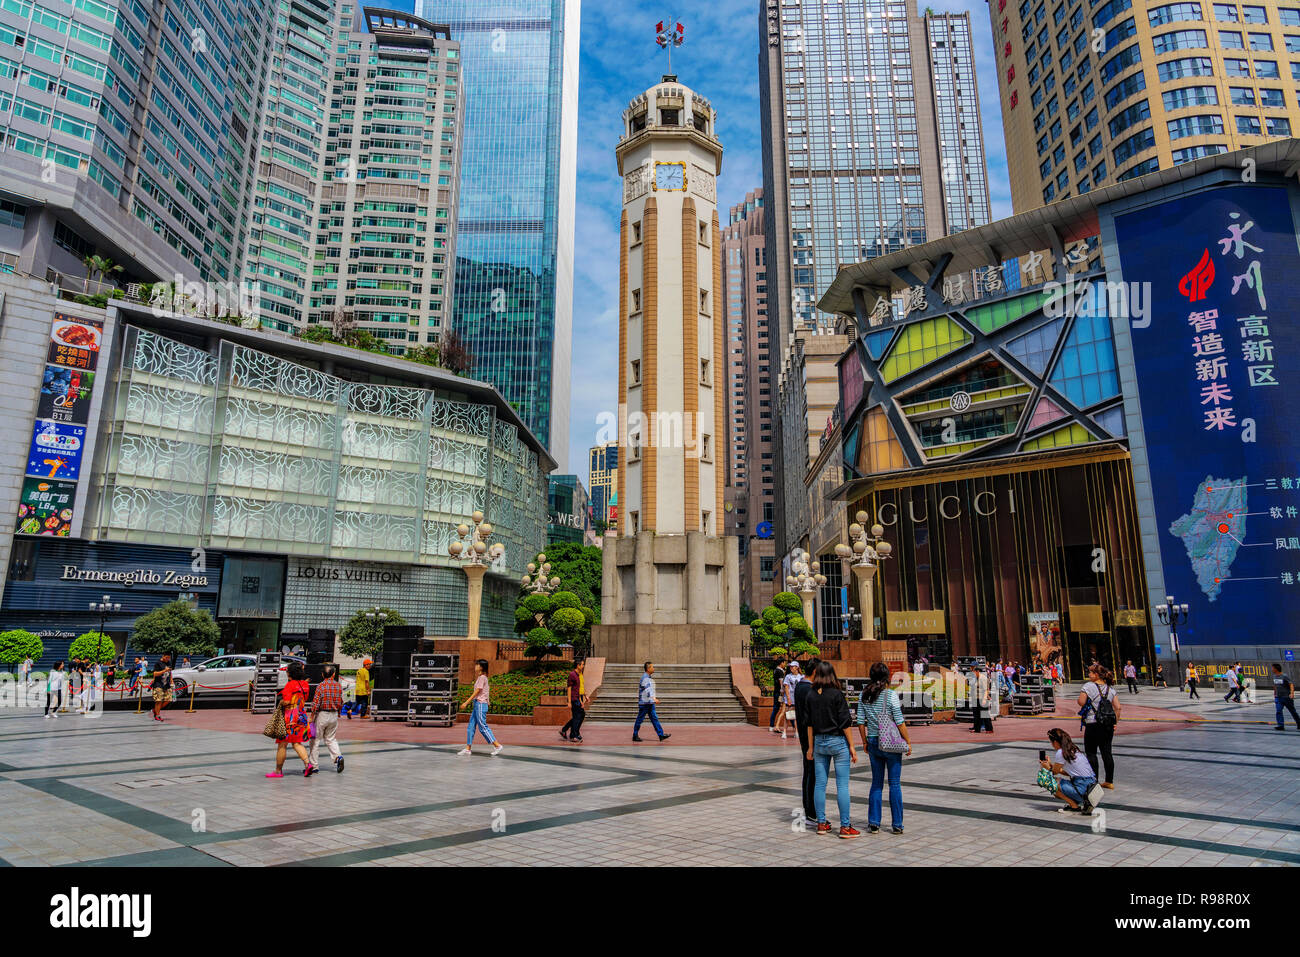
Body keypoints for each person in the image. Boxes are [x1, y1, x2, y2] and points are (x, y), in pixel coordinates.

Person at [856, 661, 911, 834]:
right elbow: (900, 722)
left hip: (873, 741)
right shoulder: (891, 695)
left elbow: (859, 722)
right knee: (894, 784)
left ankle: (874, 822)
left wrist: (864, 741)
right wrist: (908, 741)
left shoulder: (864, 695)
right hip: (891, 743)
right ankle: (897, 825)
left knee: (876, 783)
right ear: (887, 677)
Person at [805, 661, 859, 838]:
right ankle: (845, 827)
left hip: (819, 742)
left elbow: (809, 724)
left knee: (820, 784)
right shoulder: (836, 694)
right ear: (832, 674)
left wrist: (810, 748)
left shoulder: (811, 695)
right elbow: (845, 723)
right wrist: (851, 745)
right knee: (842, 785)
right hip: (838, 742)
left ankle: (821, 823)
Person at [268, 661, 315, 778]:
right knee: (297, 743)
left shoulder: (290, 685)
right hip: (301, 716)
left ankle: (278, 771)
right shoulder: (305, 684)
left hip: (289, 718)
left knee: (282, 744)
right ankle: (307, 764)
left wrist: (281, 702)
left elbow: (288, 701)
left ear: (290, 673)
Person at [1079, 665, 1121, 790]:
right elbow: (1118, 707)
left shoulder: (1088, 686)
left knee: (1091, 752)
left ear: (1096, 674)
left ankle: (1094, 781)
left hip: (1093, 723)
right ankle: (1109, 781)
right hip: (1107, 725)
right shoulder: (1110, 689)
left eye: (1090, 673)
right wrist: (1115, 723)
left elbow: (1081, 702)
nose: (1089, 675)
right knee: (1107, 752)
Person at [1041, 727, 1100, 814]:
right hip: (1091, 787)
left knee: (1047, 781)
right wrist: (1051, 765)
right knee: (1056, 781)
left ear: (1056, 742)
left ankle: (1074, 805)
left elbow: (1054, 772)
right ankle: (1077, 802)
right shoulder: (1073, 749)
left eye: (1052, 743)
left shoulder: (1060, 752)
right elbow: (1070, 773)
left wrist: (1047, 767)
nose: (1052, 745)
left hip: (1082, 789)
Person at [793, 656, 820, 826]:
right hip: (811, 737)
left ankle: (808, 809)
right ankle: (811, 812)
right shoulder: (809, 689)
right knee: (812, 773)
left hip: (804, 735)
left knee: (808, 772)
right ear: (816, 672)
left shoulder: (799, 686)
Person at [458, 658, 504, 755]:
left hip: (480, 704)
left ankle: (497, 745)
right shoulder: (481, 678)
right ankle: (468, 748)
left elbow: (477, 691)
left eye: (477, 665)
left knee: (482, 726)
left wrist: (466, 702)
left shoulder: (482, 677)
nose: (475, 666)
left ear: (481, 667)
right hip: (477, 705)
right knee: (471, 726)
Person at [309, 663, 345, 772]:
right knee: (331, 738)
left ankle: (314, 766)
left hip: (322, 715)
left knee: (315, 740)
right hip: (333, 715)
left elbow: (316, 703)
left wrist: (312, 716)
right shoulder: (338, 685)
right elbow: (340, 702)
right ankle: (338, 757)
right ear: (333, 675)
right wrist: (338, 712)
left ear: (322, 674)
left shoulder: (321, 685)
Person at [632, 661, 670, 742]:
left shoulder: (648, 677)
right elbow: (647, 690)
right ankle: (635, 735)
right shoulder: (645, 678)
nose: (654, 668)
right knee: (639, 719)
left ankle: (661, 735)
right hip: (644, 703)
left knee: (654, 718)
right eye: (652, 667)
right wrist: (653, 698)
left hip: (649, 703)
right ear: (648, 668)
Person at [559, 658, 587, 743]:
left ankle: (565, 730)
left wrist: (581, 700)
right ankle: (574, 735)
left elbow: (578, 689)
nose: (583, 666)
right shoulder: (572, 674)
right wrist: (569, 701)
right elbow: (569, 688)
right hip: (573, 699)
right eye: (582, 664)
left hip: (577, 698)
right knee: (577, 717)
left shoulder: (578, 674)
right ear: (578, 665)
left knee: (580, 716)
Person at [776, 661, 801, 739]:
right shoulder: (788, 677)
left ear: (797, 667)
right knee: (787, 716)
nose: (791, 668)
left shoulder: (801, 677)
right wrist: (788, 698)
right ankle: (784, 732)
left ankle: (796, 732)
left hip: (798, 699)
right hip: (789, 699)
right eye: (790, 666)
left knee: (797, 717)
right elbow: (786, 687)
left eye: (793, 666)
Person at [1272, 664, 1300, 731]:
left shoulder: (1284, 676)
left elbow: (1291, 684)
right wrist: (1275, 693)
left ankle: (1299, 723)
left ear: (1276, 669)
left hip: (1286, 697)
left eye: (1273, 668)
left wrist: (1292, 693)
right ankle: (1280, 725)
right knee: (1278, 711)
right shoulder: (1274, 676)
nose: (1272, 669)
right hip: (1278, 697)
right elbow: (1275, 685)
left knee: (1292, 711)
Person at [969, 665, 993, 734]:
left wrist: (984, 699)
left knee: (984, 714)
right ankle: (977, 729)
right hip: (975, 698)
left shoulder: (983, 678)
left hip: (982, 698)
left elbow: (986, 690)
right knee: (976, 715)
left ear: (978, 671)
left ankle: (989, 728)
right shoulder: (975, 678)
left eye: (974, 672)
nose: (973, 673)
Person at [149, 655, 174, 722]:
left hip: (166, 684)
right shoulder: (158, 663)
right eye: (166, 657)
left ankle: (155, 710)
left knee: (169, 699)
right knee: (159, 700)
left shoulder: (169, 662)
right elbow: (155, 674)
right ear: (163, 656)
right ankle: (157, 715)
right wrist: (164, 671)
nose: (167, 659)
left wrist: (171, 680)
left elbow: (170, 672)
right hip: (158, 684)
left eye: (169, 658)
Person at [769, 656, 787, 732]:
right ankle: (772, 725)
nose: (785, 664)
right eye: (784, 662)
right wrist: (783, 692)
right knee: (783, 709)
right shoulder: (780, 671)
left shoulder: (775, 670)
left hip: (776, 692)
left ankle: (772, 725)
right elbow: (781, 683)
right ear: (781, 663)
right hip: (779, 693)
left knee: (776, 709)